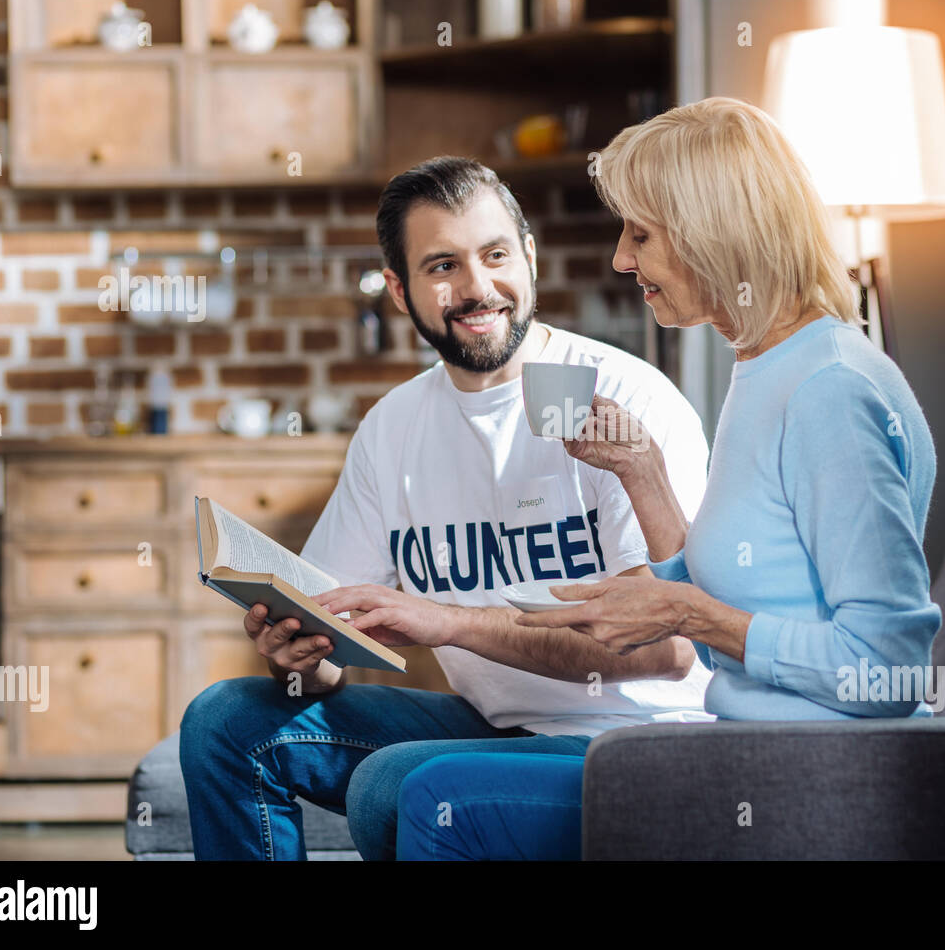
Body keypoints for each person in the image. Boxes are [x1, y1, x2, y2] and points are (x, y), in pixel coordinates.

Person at [391, 97, 943, 860]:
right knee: (409, 787)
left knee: (436, 799)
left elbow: (889, 671)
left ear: (714, 230)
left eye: (640, 234)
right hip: (744, 750)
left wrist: (690, 612)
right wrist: (643, 475)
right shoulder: (762, 365)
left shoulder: (831, 392)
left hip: (814, 776)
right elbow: (747, 625)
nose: (623, 259)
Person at [178, 156, 713, 860]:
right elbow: (328, 651)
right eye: (442, 267)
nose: (477, 287)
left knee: (393, 784)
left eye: (495, 256)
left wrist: (450, 625)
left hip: (634, 736)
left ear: (528, 255)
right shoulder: (395, 426)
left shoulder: (623, 400)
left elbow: (668, 651)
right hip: (492, 727)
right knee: (224, 719)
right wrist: (297, 656)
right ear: (400, 290)